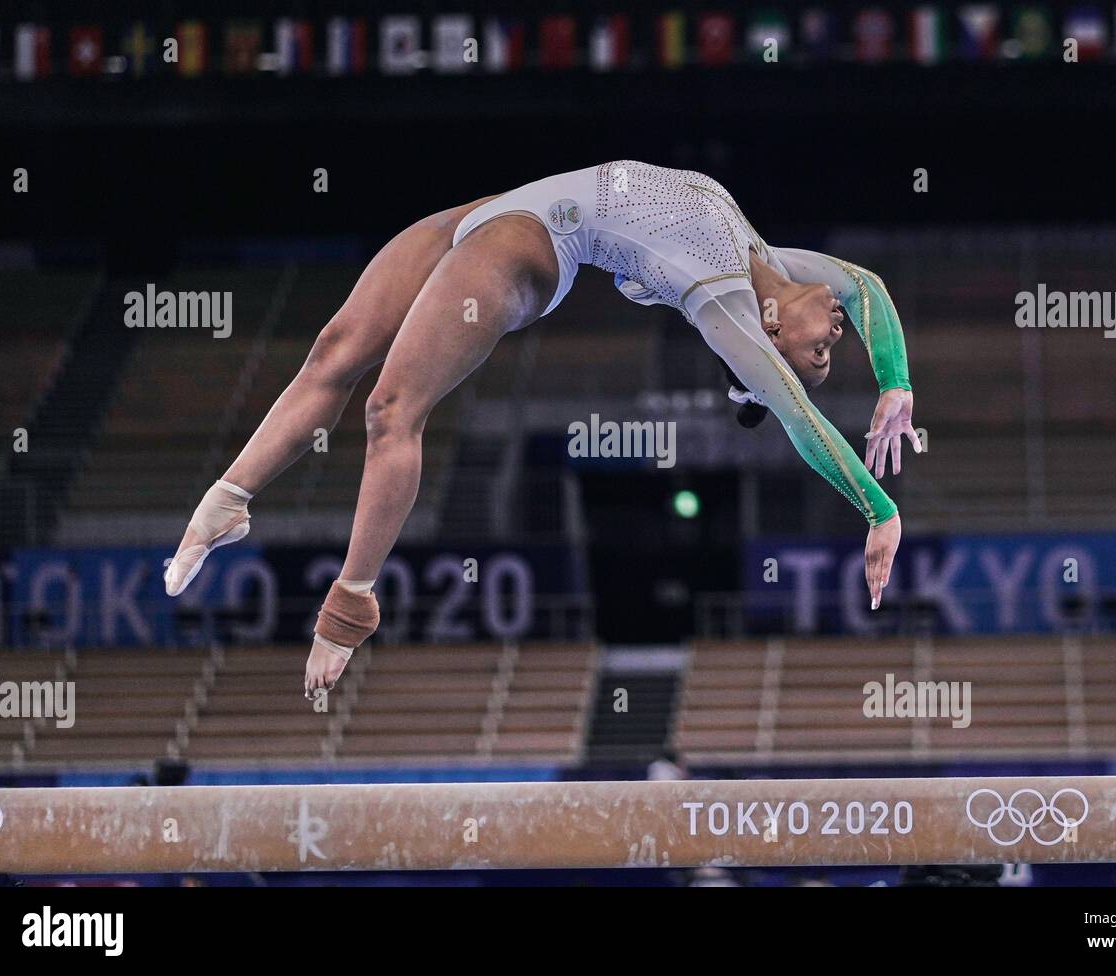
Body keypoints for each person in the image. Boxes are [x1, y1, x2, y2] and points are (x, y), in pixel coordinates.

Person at [162, 161, 920, 697]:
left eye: (820, 354)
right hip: (494, 209)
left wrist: (878, 509)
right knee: (333, 354)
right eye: (831, 346)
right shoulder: (767, 260)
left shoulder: (722, 297)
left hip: (533, 248)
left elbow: (792, 409)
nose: (836, 342)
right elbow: (872, 288)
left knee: (390, 410)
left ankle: (352, 600)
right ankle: (229, 496)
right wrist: (895, 386)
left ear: (763, 330)